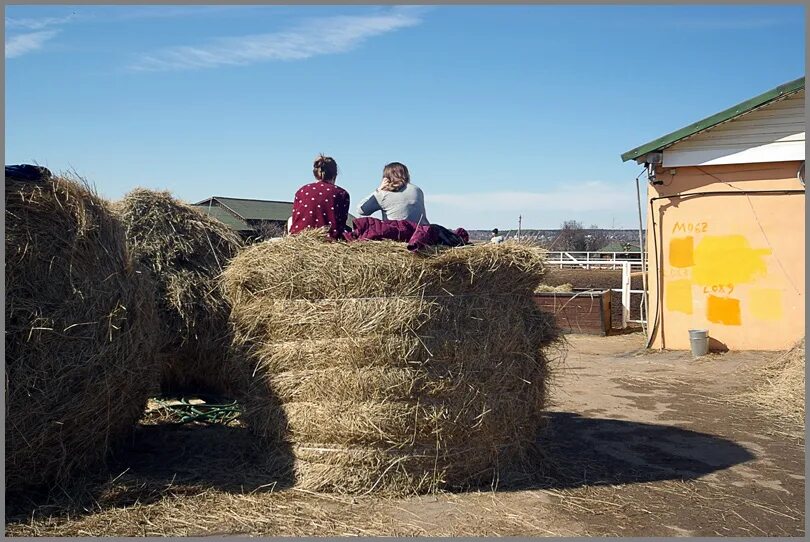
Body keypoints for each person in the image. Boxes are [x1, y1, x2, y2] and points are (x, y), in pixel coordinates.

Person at [288, 155, 350, 240]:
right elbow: (341, 223)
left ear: (315, 174)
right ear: (334, 175)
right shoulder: (342, 193)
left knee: (290, 220)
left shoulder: (301, 191)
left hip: (298, 238)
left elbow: (295, 218)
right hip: (329, 239)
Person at [355, 162, 428, 225]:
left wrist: (378, 190)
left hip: (397, 234)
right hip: (420, 233)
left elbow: (361, 210)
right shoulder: (417, 190)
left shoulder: (383, 194)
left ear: (386, 178)